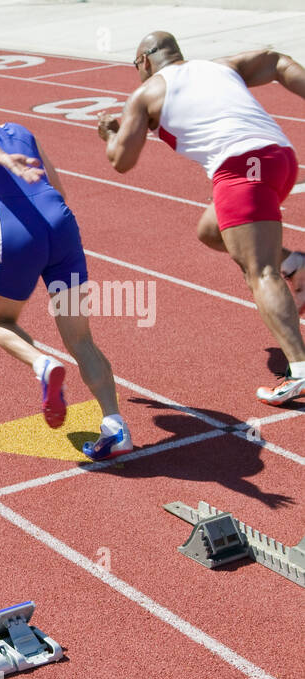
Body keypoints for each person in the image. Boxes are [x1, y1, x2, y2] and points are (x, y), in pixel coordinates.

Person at [99, 33, 305, 406]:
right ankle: (294, 263)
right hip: (279, 159)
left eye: (135, 67)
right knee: (211, 230)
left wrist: (112, 134)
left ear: (144, 61)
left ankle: (300, 370)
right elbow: (276, 61)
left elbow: (121, 161)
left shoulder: (147, 95)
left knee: (259, 273)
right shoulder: (219, 67)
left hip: (239, 169)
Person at [0, 85, 131, 460]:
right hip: (61, 227)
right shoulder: (21, 130)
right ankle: (115, 426)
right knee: (81, 338)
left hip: (17, 235)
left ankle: (43, 364)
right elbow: (59, 189)